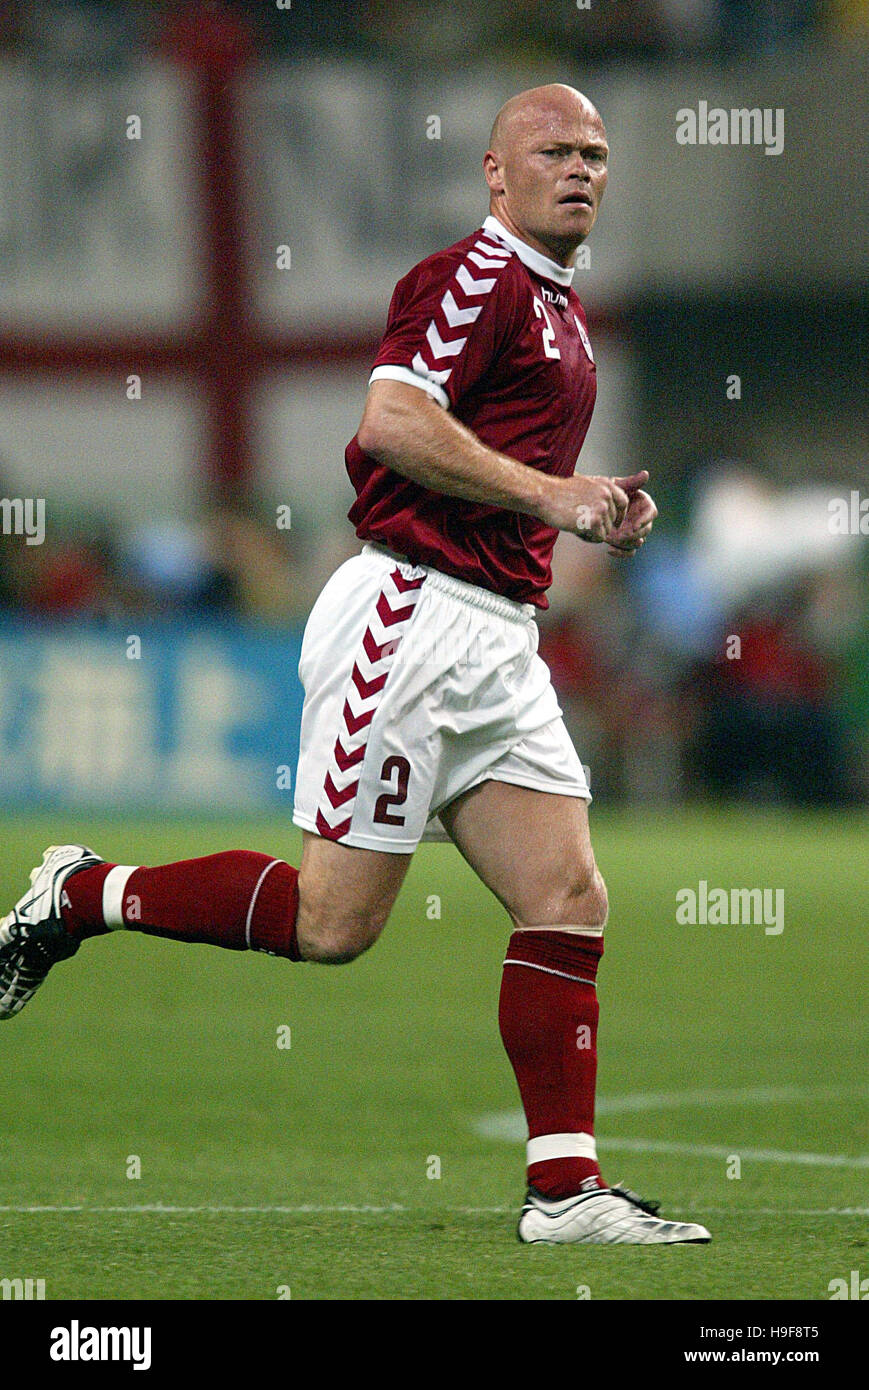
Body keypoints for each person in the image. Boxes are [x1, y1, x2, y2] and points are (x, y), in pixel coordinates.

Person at [1, 84, 709, 1246]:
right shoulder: (470, 280)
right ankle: (83, 893)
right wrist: (552, 497)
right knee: (331, 924)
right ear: (494, 172)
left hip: (499, 636)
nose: (578, 168)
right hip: (410, 615)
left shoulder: (562, 312)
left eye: (593, 151)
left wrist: (584, 517)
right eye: (550, 150)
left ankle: (564, 1192)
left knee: (567, 896)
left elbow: (507, 469)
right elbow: (390, 421)